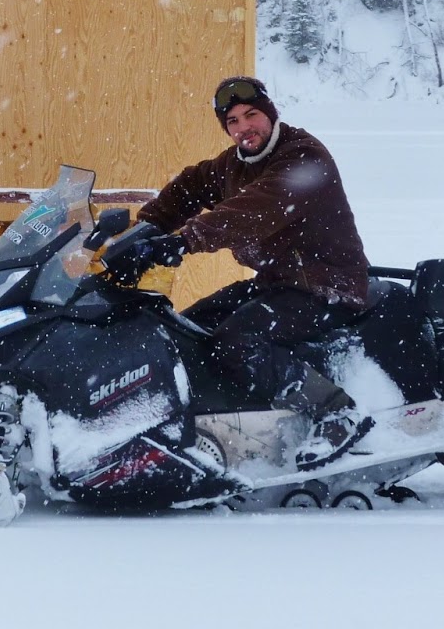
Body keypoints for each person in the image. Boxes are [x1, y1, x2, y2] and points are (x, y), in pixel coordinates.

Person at [104, 76, 374, 470]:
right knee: (184, 327)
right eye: (232, 121)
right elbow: (191, 187)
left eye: (252, 115)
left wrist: (184, 241)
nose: (244, 127)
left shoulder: (302, 156)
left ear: (270, 113)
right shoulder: (235, 164)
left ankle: (335, 413)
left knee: (237, 340)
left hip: (326, 285)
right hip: (277, 283)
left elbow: (256, 209)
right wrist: (143, 232)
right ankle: (207, 424)